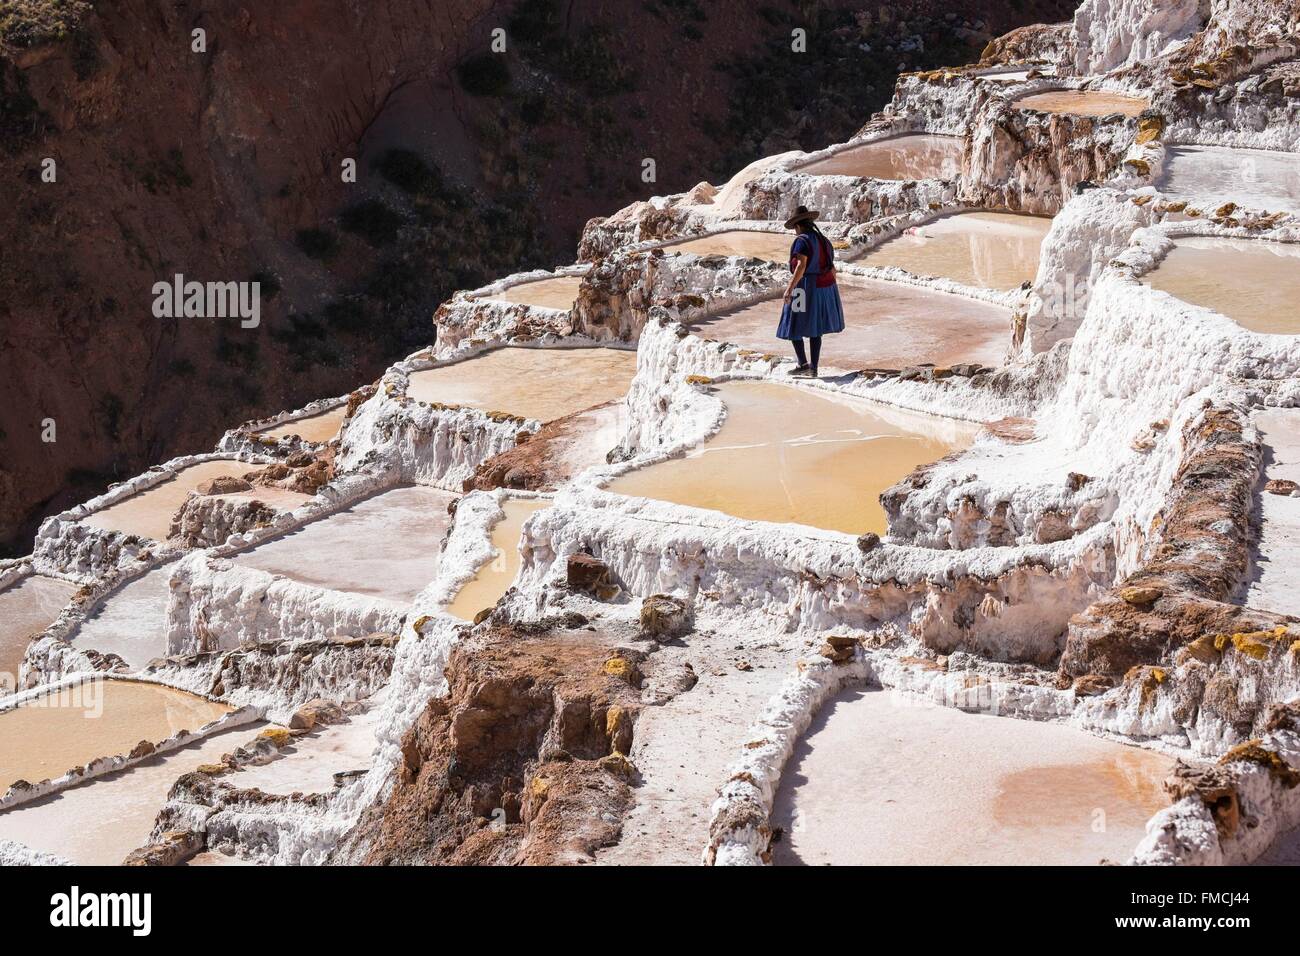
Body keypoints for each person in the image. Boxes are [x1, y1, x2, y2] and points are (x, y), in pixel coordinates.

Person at [777, 205, 844, 378]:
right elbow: (832, 268)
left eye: (794, 229)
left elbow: (801, 266)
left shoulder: (802, 240)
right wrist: (831, 291)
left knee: (792, 322)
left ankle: (803, 364)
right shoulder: (824, 240)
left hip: (805, 288)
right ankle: (813, 368)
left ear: (798, 226)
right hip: (826, 287)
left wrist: (790, 288)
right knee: (816, 327)